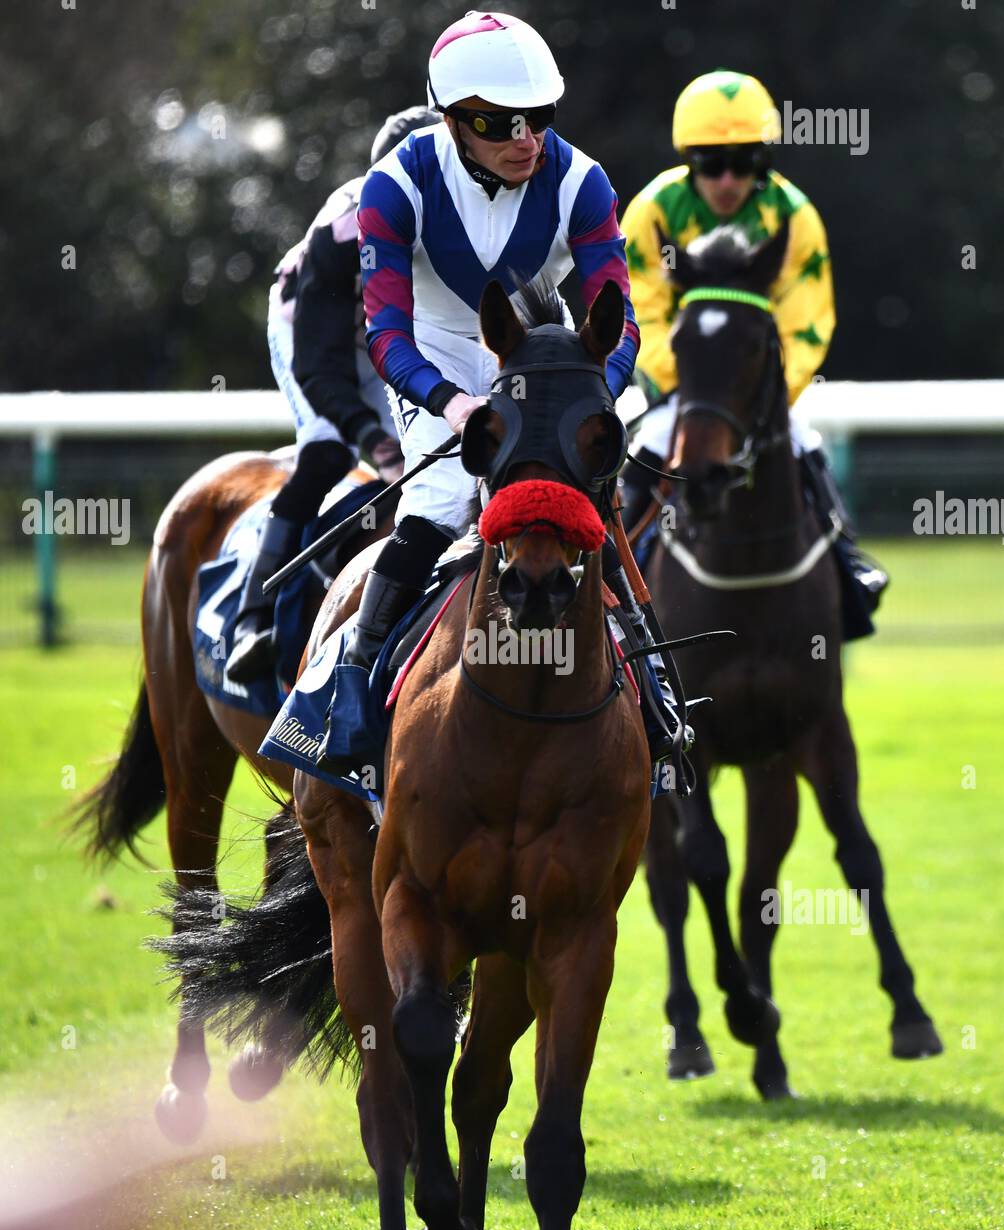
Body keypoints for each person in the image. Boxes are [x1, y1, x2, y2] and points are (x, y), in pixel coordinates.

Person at [351, 10, 685, 760]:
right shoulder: (394, 185)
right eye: (498, 123)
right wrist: (452, 401)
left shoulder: (583, 181)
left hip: (545, 357)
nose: (524, 139)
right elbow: (385, 333)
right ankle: (344, 688)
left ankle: (658, 702)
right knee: (435, 500)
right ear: (452, 120)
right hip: (436, 359)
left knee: (593, 503)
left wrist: (594, 387)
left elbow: (619, 317)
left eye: (537, 118)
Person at [618, 69, 887, 624]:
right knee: (645, 448)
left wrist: (764, 391)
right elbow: (637, 304)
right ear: (690, 161)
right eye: (711, 164)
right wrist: (689, 381)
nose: (727, 180)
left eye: (744, 163)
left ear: (763, 161)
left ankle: (849, 562)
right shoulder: (653, 210)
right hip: (680, 383)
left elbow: (806, 317)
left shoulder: (793, 215)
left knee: (803, 443)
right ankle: (615, 575)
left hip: (756, 386)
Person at [225, 107, 443, 683]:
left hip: (390, 337)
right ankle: (254, 618)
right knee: (329, 452)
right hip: (316, 334)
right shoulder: (338, 233)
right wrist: (372, 436)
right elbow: (322, 369)